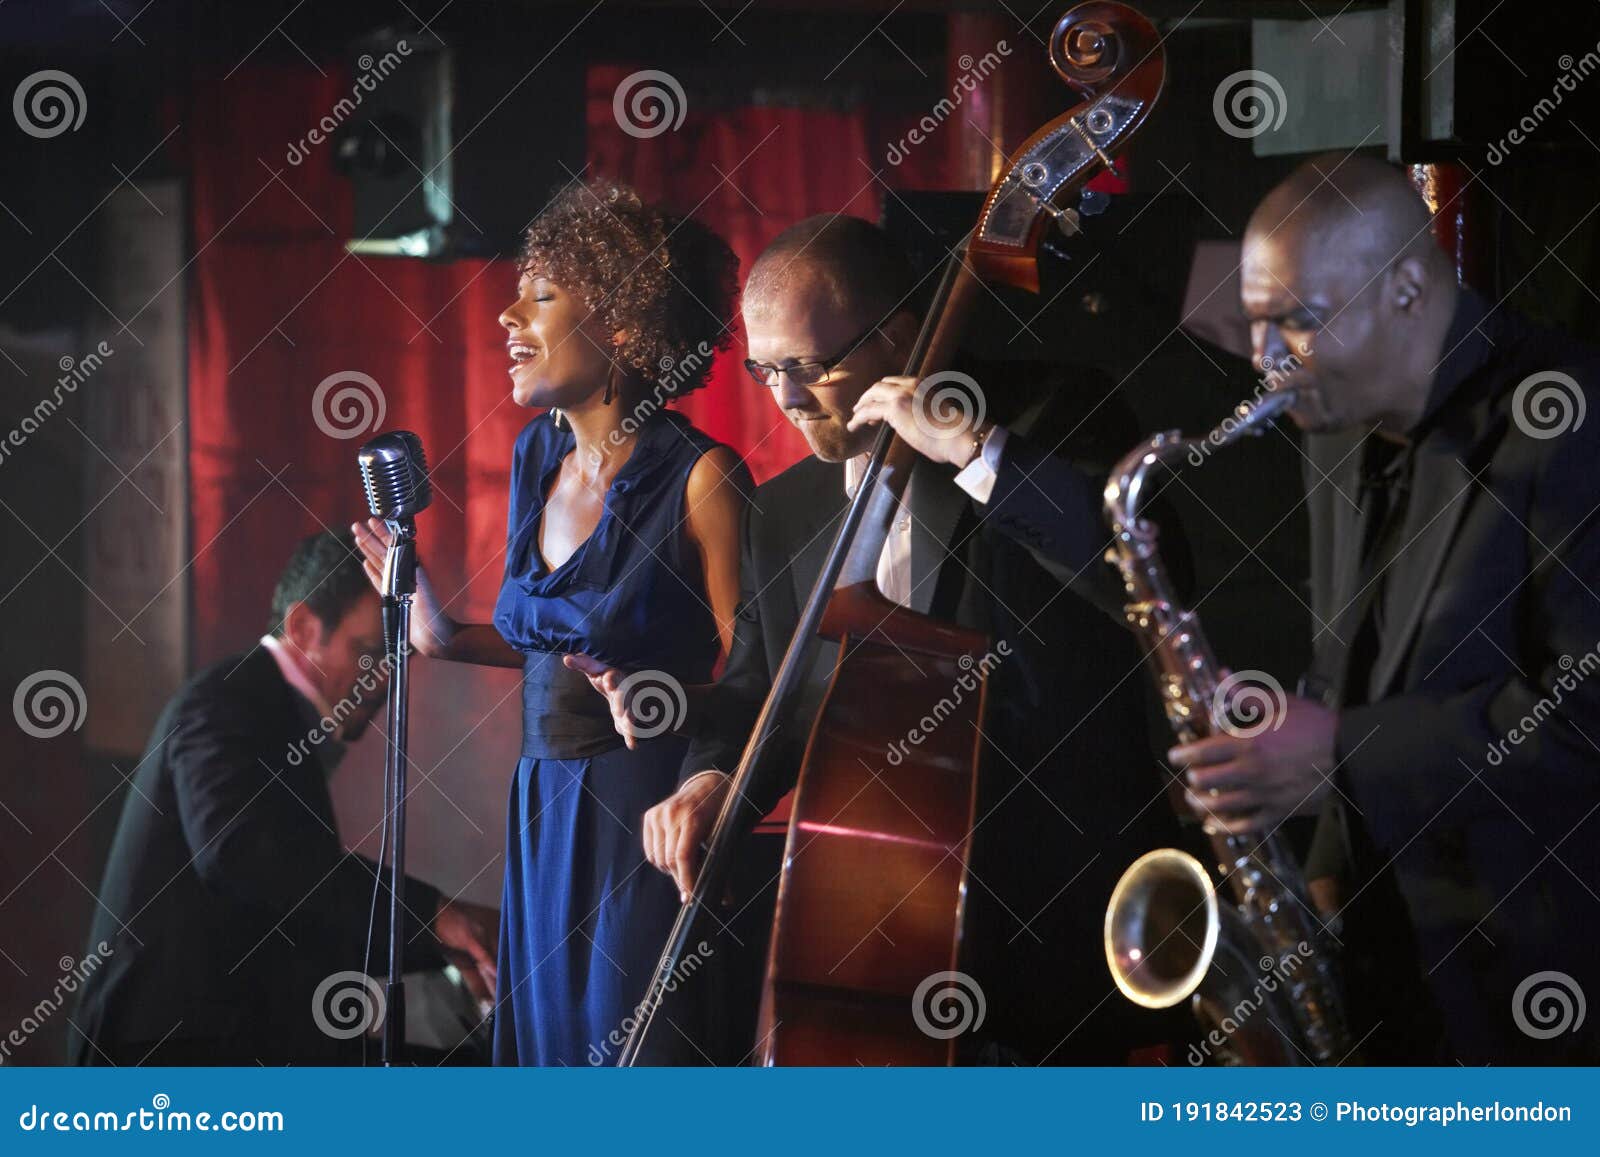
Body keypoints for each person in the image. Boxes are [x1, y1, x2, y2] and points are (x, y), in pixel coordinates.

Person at [581, 215, 1180, 1063]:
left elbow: (1145, 572)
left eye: (809, 366)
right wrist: (715, 776)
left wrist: (977, 452)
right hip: (886, 924)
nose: (785, 397)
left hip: (1064, 913)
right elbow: (763, 688)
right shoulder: (783, 512)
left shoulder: (1054, 410)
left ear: (897, 334)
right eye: (766, 369)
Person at [1166, 154, 1600, 1063]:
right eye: (1252, 326)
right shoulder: (1337, 434)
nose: (1265, 362)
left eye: (1296, 320)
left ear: (1406, 286)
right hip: (1397, 990)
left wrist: (1338, 757)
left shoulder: (1571, 414)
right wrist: (1323, 867)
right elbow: (1351, 663)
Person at [354, 180, 749, 1067]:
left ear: (621, 321)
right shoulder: (538, 455)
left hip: (641, 811)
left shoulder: (703, 480)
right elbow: (549, 637)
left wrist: (661, 697)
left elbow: (758, 674)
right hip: (543, 807)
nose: (505, 315)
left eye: (538, 294)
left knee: (624, 1064)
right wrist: (443, 633)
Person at [70, 530, 498, 1065]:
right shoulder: (225, 703)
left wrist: (433, 937)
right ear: (302, 627)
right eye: (368, 655)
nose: (383, 682)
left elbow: (294, 910)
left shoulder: (263, 709)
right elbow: (245, 857)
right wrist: (429, 916)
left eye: (396, 661)